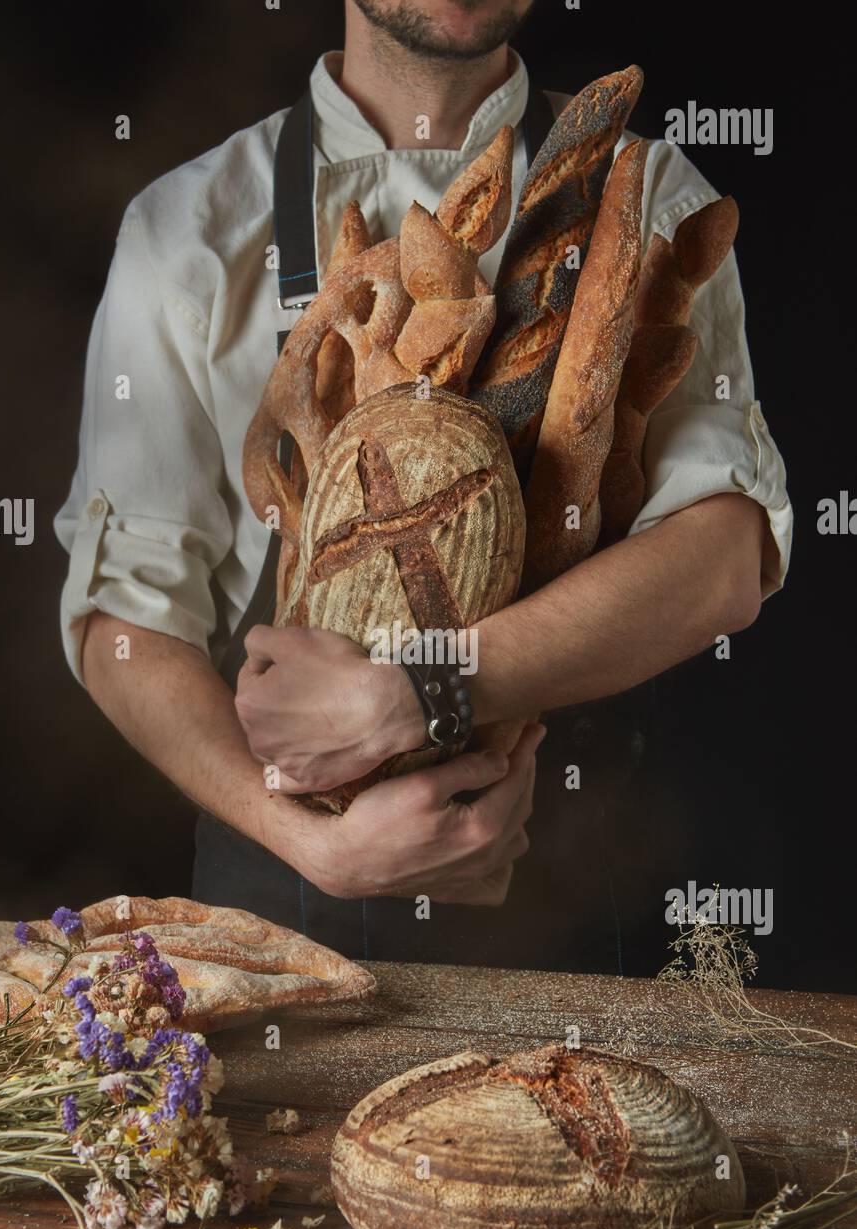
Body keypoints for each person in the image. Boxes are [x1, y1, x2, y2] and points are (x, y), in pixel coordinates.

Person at [54, 0, 792, 970]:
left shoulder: (649, 197)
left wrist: (422, 689)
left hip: (573, 897)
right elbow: (122, 626)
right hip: (285, 907)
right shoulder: (183, 232)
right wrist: (316, 843)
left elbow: (725, 557)